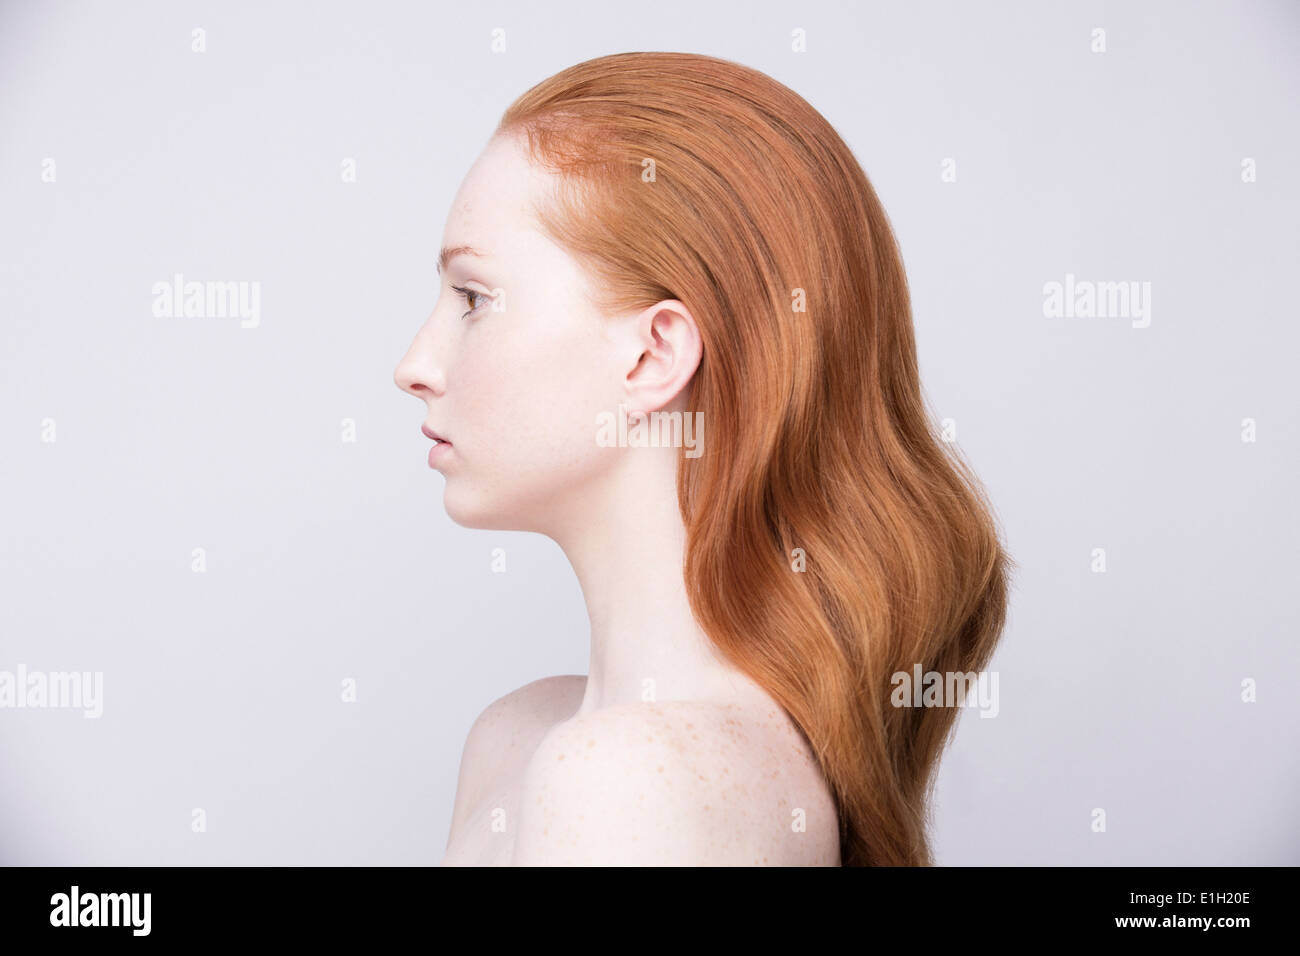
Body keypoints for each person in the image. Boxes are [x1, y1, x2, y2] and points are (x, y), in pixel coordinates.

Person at [394, 51, 1012, 866]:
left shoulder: (630, 782)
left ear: (653, 357)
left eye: (473, 298)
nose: (414, 364)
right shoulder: (518, 740)